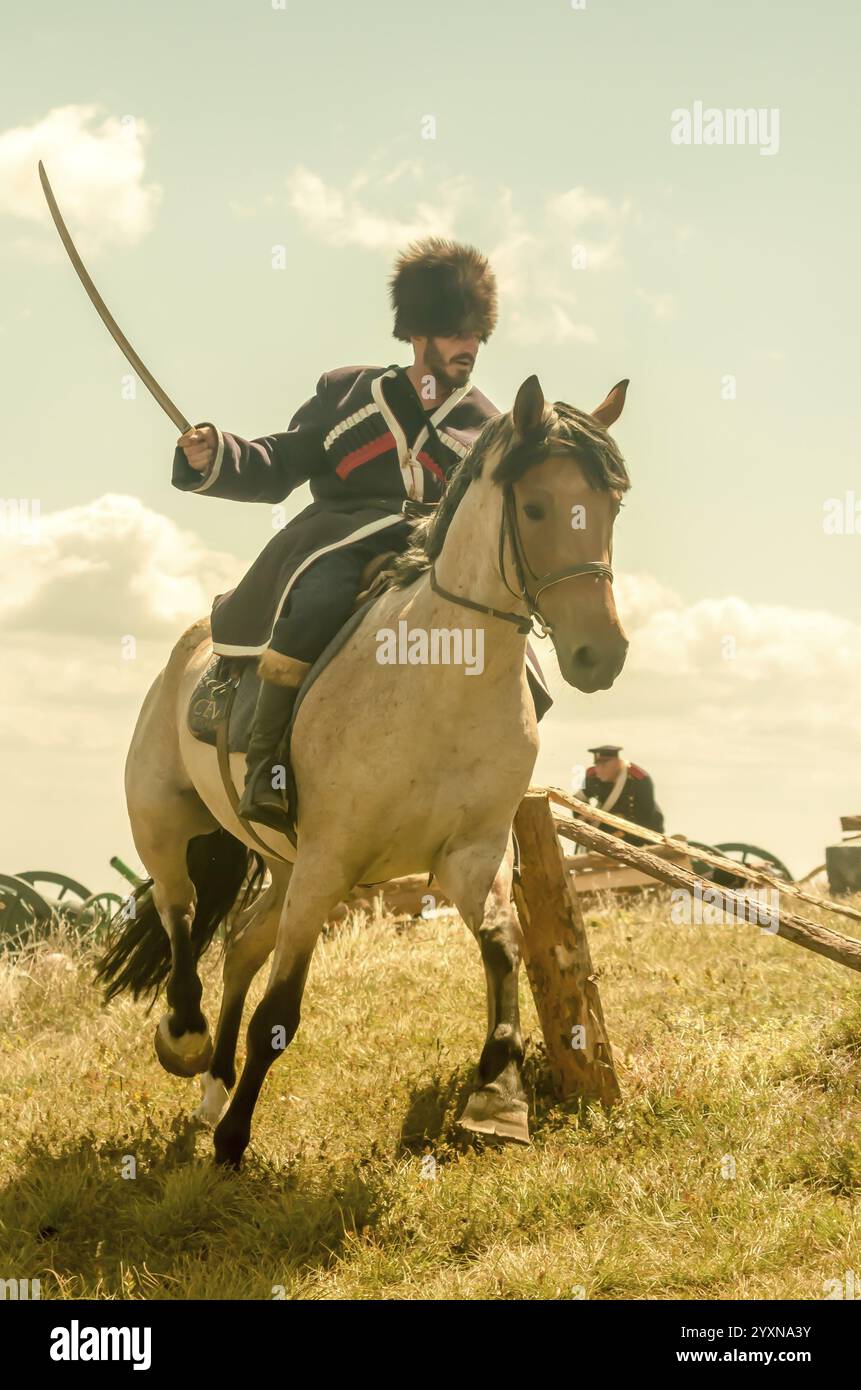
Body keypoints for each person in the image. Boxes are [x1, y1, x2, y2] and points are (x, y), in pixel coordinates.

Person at [171, 238, 543, 831]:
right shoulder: (347, 393)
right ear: (419, 333)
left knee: (519, 658)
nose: (468, 347)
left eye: (475, 336)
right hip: (340, 540)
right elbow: (279, 462)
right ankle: (267, 765)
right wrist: (215, 454)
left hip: (433, 555)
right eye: (455, 332)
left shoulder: (489, 425)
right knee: (317, 603)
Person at [579, 744, 664, 844]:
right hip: (608, 830)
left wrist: (619, 836)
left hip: (641, 833)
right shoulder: (593, 777)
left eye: (603, 765)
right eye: (597, 765)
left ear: (617, 763)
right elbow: (579, 798)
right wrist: (584, 817)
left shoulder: (640, 779)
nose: (598, 770)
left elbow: (644, 817)